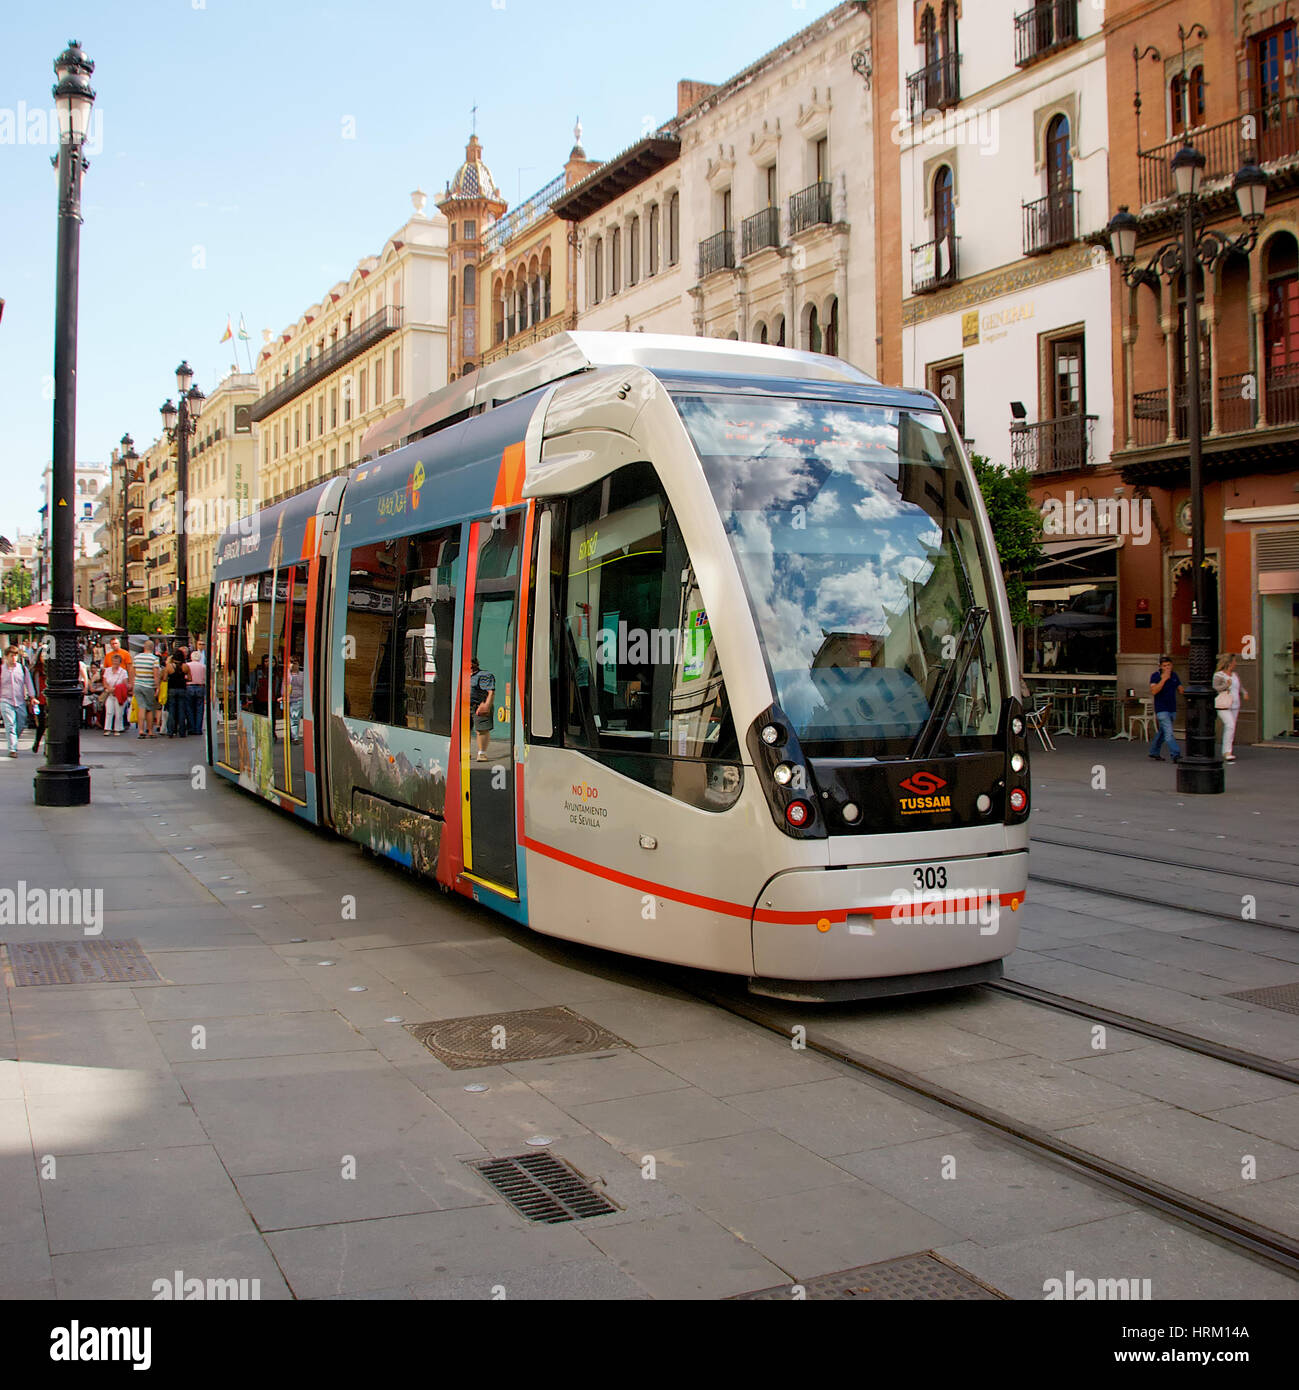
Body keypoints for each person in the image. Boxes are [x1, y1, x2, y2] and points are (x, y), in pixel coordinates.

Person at [1213, 653, 1248, 763]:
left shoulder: (1235, 675)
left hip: (1235, 704)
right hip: (1224, 704)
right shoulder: (1219, 675)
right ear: (1229, 663)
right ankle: (1227, 752)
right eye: (1234, 661)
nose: (1235, 663)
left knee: (1231, 728)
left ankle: (1227, 751)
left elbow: (1240, 687)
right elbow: (1215, 688)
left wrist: (1244, 692)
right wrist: (1226, 685)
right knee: (1230, 725)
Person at [1, 645, 35, 758]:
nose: (14, 658)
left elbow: (28, 683)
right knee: (10, 724)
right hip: (5, 700)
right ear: (6, 657)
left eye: (16, 655)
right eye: (11, 656)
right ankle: (13, 749)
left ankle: (13, 739)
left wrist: (32, 697)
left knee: (21, 723)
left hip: (20, 701)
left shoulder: (22, 669)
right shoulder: (1, 669)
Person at [1148, 654, 1182, 763]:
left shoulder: (1175, 675)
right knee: (1169, 732)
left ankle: (1154, 751)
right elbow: (1154, 691)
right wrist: (1163, 680)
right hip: (1161, 708)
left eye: (1168, 665)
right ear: (1160, 667)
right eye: (1164, 666)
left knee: (1163, 732)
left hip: (1172, 708)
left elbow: (1180, 688)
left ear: (1171, 665)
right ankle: (1175, 754)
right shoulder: (1155, 676)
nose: (1167, 668)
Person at [133, 637, 160, 738]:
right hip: (149, 685)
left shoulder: (136, 658)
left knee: (141, 707)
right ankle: (150, 731)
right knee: (150, 708)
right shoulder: (154, 659)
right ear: (152, 648)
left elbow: (133, 671)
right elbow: (156, 675)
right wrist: (157, 687)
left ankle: (140, 730)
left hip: (138, 684)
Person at [469, 656, 494, 761]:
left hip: (479, 706)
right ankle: (465, 751)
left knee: (482, 730)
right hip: (465, 706)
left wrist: (487, 705)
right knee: (464, 730)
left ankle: (482, 753)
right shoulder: (462, 674)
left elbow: (491, 691)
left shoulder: (484, 675)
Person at [102, 648, 131, 735]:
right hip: (110, 693)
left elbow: (125, 684)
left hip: (119, 694)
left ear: (120, 662)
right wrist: (108, 688)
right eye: (114, 661)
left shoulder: (123, 672)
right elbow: (104, 681)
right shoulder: (107, 670)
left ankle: (117, 729)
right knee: (109, 711)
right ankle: (107, 729)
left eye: (117, 661)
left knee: (119, 712)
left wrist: (116, 689)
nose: (115, 663)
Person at [165, 645, 190, 736]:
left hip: (171, 689)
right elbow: (190, 678)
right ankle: (182, 731)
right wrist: (183, 679)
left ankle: (171, 731)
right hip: (182, 689)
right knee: (181, 710)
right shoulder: (185, 666)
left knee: (171, 710)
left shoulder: (169, 666)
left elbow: (164, 678)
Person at [186, 642, 207, 736]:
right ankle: (198, 728)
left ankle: (191, 727)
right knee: (199, 709)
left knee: (189, 708)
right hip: (200, 687)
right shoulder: (203, 667)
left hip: (189, 686)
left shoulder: (187, 665)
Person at [30, 650, 48, 754]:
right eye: (43, 655)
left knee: (50, 725)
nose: (44, 657)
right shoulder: (35, 671)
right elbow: (31, 684)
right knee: (41, 724)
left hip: (50, 700)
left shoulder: (52, 670)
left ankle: (47, 748)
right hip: (39, 700)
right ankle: (37, 741)